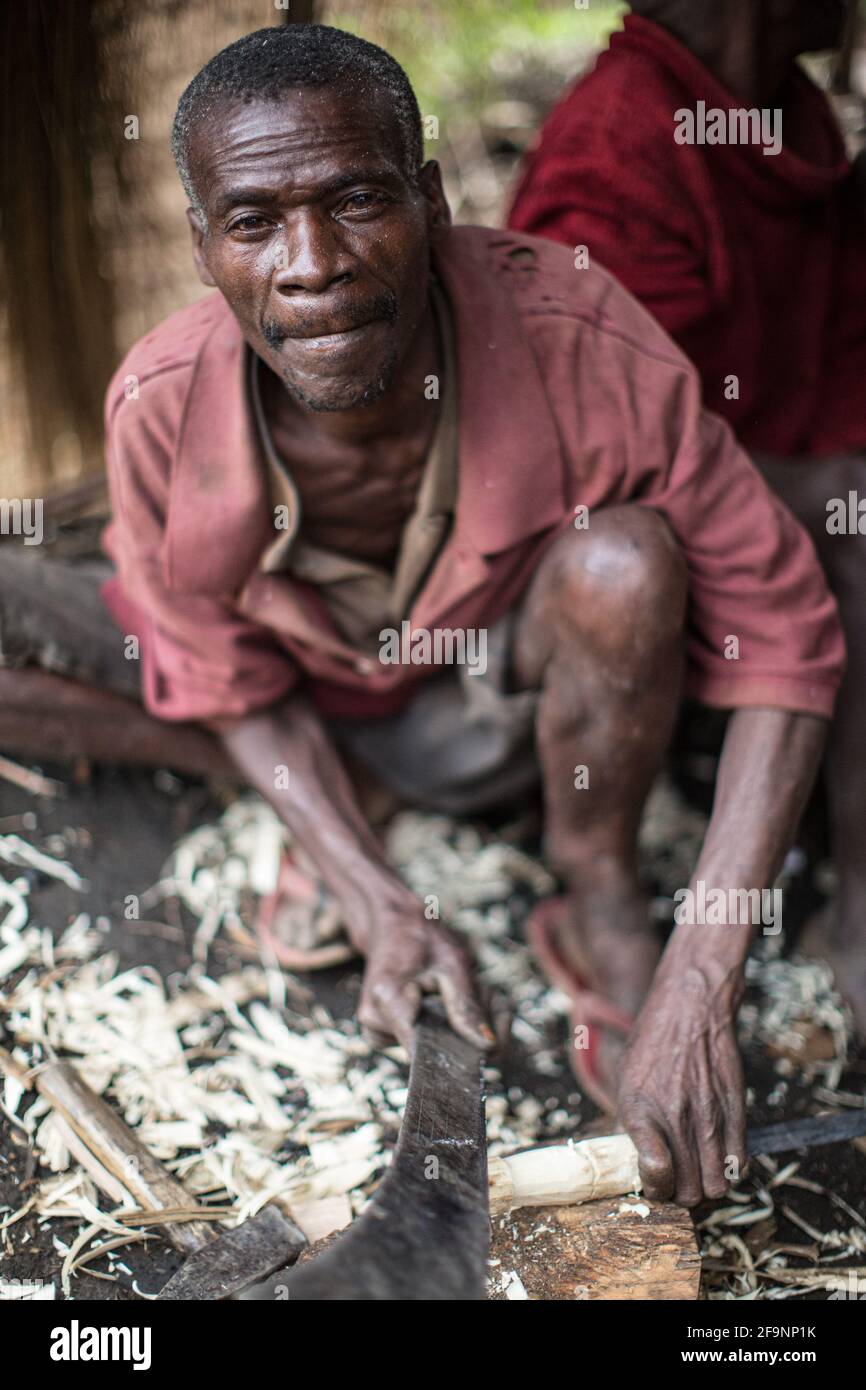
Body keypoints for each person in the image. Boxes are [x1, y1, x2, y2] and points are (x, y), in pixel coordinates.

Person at [0, 25, 846, 1205]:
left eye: (355, 199)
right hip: (315, 703)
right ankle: (343, 810)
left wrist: (702, 980)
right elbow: (226, 676)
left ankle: (595, 889)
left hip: (507, 706)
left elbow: (787, 640)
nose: (312, 263)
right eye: (252, 222)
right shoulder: (159, 405)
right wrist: (377, 900)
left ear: (430, 198)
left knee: (622, 562)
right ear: (202, 248)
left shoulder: (578, 339)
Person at [508, 0, 866, 1032]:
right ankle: (602, 885)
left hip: (760, 495)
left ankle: (851, 881)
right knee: (636, 559)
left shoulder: (789, 120)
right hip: (604, 544)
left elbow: (838, 380)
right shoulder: (618, 140)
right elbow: (612, 439)